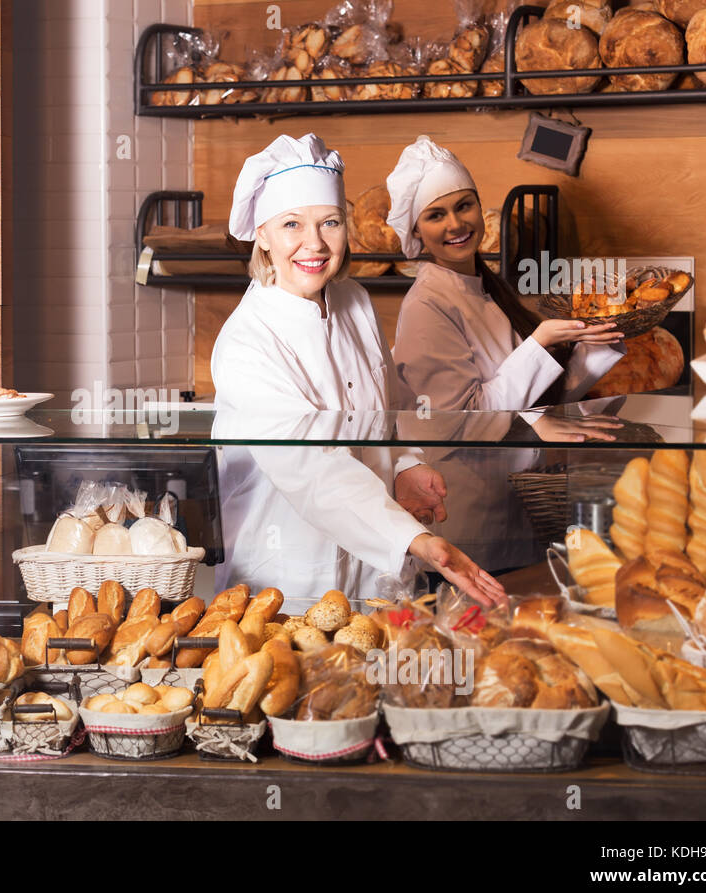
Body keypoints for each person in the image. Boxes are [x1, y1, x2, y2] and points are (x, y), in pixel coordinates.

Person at [210, 133, 505, 608]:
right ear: (262, 235)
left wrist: (407, 464)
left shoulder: (354, 301)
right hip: (286, 582)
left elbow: (387, 405)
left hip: (375, 578)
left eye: (329, 222)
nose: (315, 243)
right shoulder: (248, 343)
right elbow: (312, 470)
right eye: (292, 224)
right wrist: (416, 539)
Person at [386, 136, 624, 569]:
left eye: (465, 206)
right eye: (436, 215)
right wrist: (540, 344)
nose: (456, 223)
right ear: (416, 231)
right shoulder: (427, 305)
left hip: (516, 514)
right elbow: (455, 420)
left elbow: (530, 393)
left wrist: (597, 346)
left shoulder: (487, 286)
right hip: (468, 527)